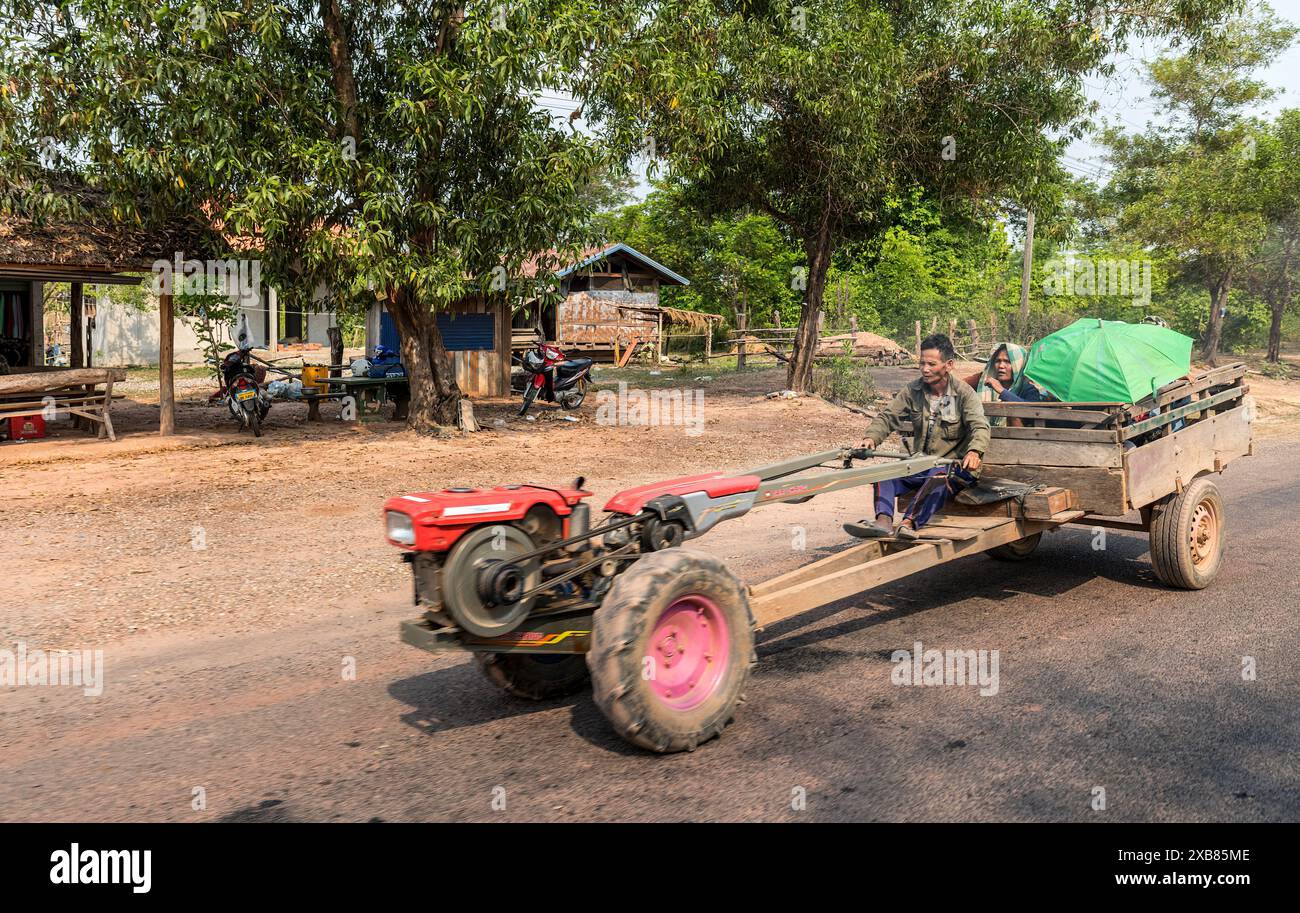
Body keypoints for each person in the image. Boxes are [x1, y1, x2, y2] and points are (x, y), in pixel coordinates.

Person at [845, 333, 989, 541]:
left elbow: (980, 426)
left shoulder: (964, 394)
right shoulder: (913, 390)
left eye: (931, 364)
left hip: (953, 467)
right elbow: (888, 417)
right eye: (922, 363)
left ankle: (908, 523)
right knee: (883, 472)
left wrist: (975, 451)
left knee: (939, 476)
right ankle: (883, 522)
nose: (925, 369)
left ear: (949, 365)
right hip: (921, 463)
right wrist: (871, 438)